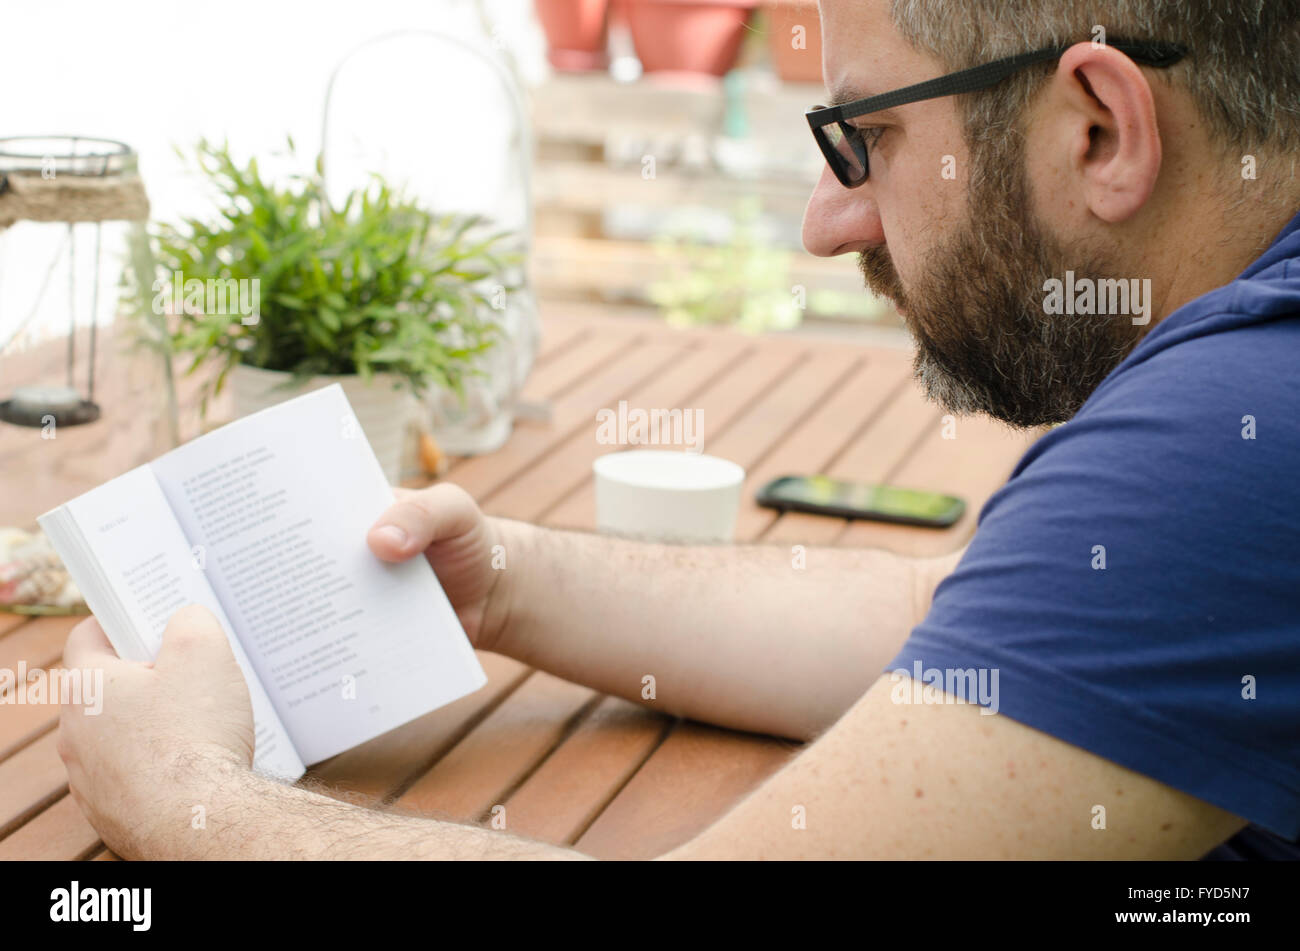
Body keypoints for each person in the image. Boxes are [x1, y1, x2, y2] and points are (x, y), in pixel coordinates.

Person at [58, 0, 1300, 859]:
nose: (826, 224)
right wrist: (509, 588)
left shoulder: (1232, 432)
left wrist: (185, 802)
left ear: (1099, 128)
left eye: (865, 139)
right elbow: (965, 630)